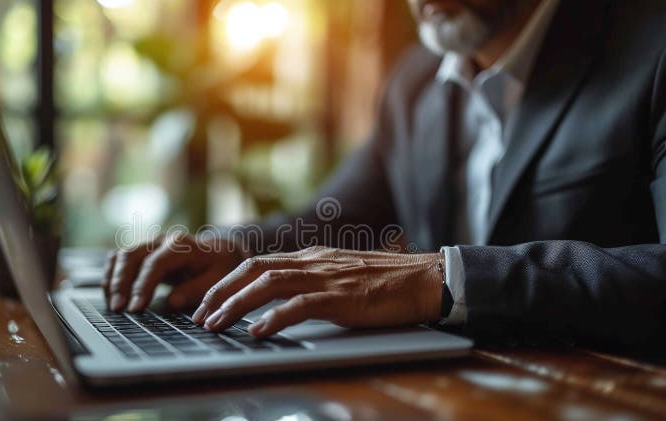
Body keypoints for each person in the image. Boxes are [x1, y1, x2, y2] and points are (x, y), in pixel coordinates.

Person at [103, 0, 666, 349]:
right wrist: (232, 250)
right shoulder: (415, 80)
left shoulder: (651, 46)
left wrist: (438, 279)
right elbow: (339, 216)